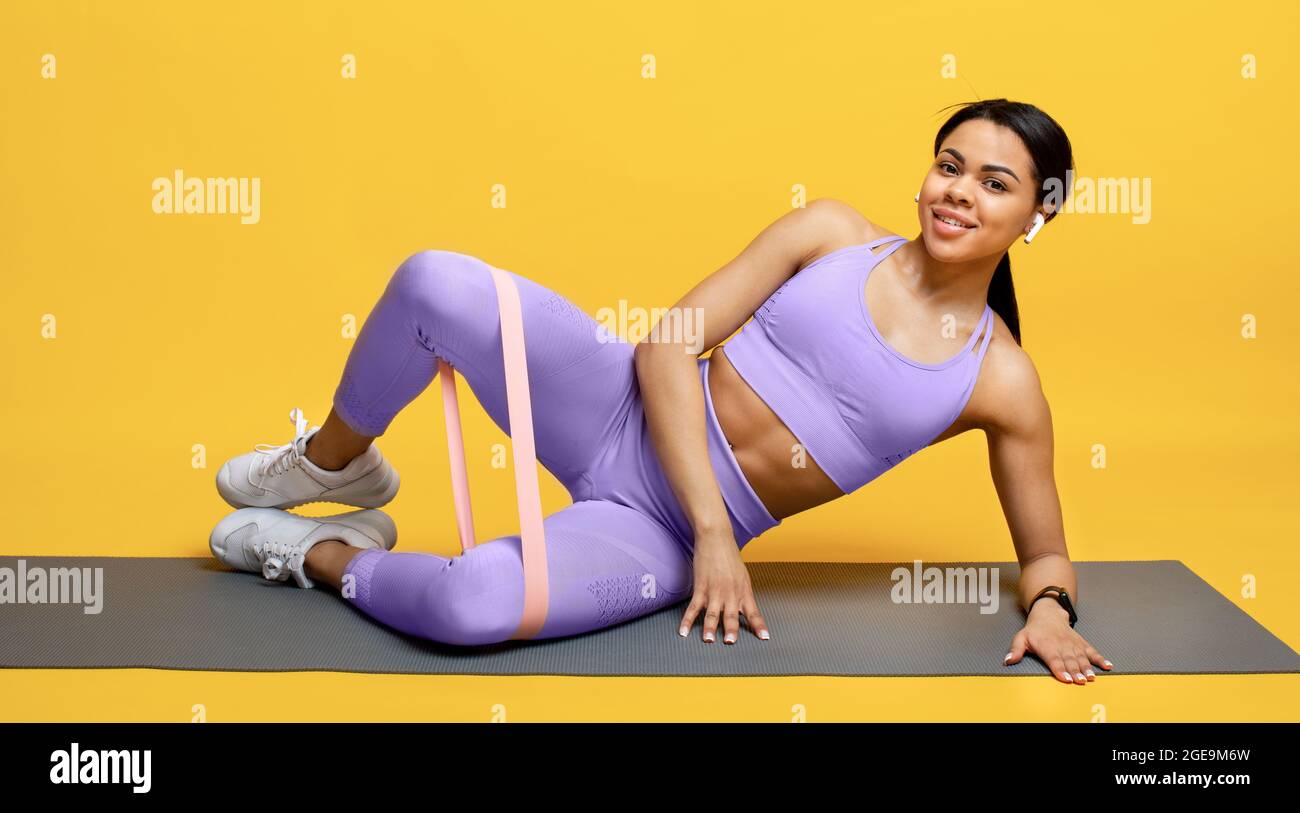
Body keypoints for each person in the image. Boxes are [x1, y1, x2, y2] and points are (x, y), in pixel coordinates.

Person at [209, 98, 1113, 685]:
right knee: (436, 281)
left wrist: (1049, 613)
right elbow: (666, 347)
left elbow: (1045, 555)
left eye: (994, 183)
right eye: (948, 165)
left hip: (656, 531)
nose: (957, 193)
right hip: (615, 406)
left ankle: (315, 553)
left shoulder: (1000, 380)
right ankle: (335, 462)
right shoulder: (833, 233)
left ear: (1039, 212)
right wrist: (721, 539)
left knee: (474, 607)